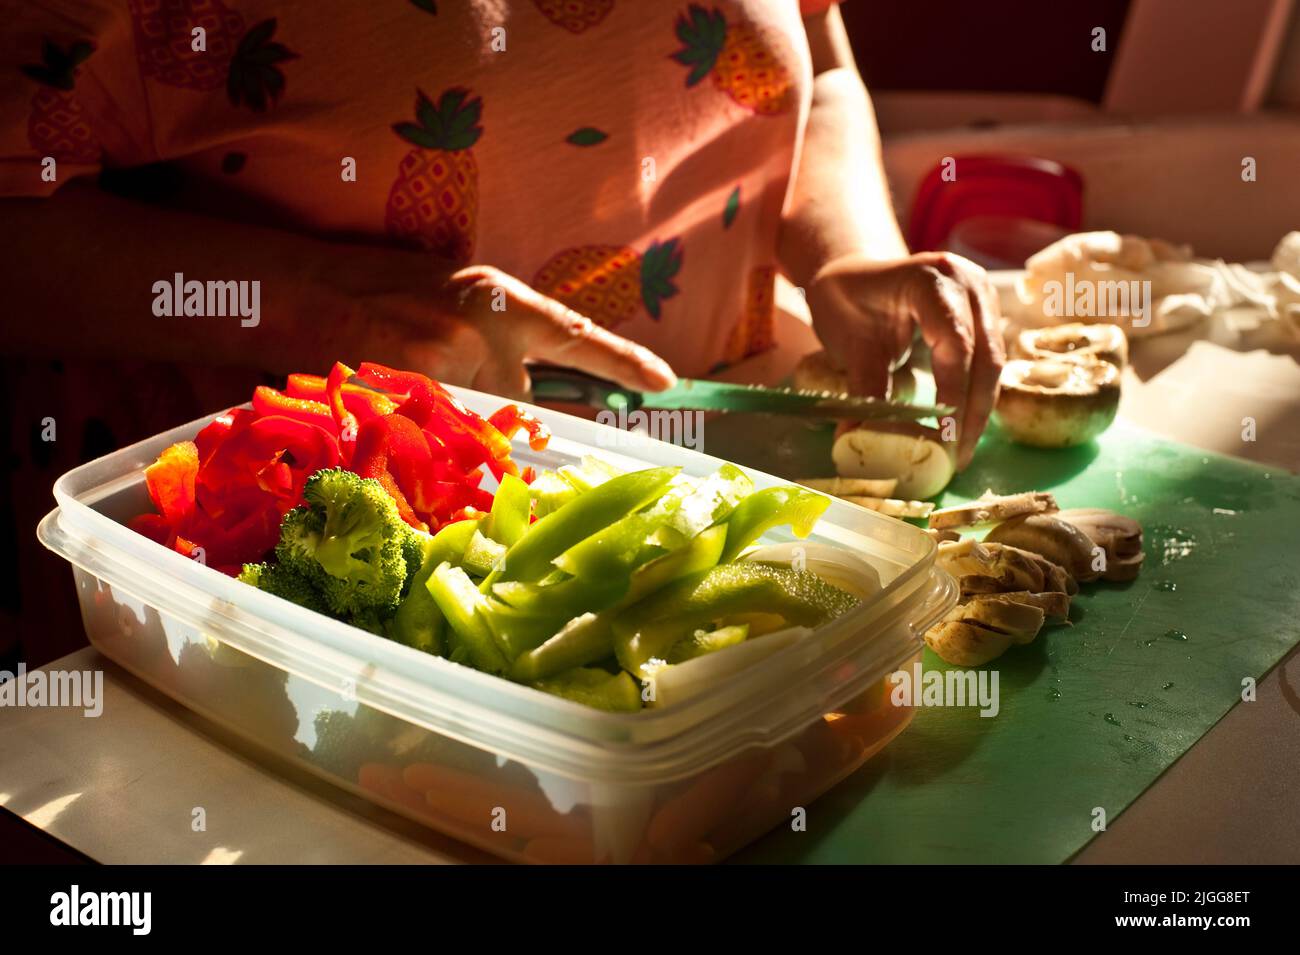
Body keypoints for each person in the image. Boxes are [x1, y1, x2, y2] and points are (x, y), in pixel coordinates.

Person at [0, 0, 1002, 664]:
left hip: (692, 500)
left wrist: (842, 246)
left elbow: (818, 55)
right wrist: (324, 306)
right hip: (270, 623)